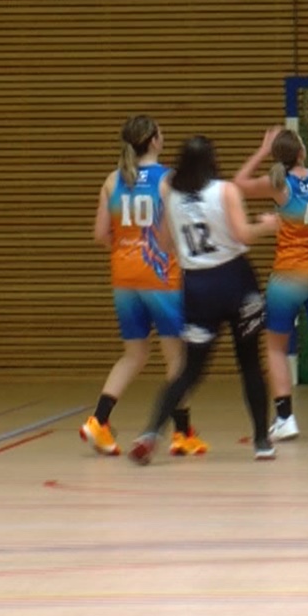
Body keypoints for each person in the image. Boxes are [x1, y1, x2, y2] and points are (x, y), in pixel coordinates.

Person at [129, 136, 281, 464]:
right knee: (250, 363)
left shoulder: (171, 196)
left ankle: (151, 431)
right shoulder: (225, 190)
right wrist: (266, 226)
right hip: (236, 280)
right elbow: (242, 235)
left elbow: (165, 243)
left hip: (197, 285)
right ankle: (261, 441)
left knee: (189, 370)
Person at [232, 127, 308, 442]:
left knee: (275, 347)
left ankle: (285, 418)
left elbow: (238, 185)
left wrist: (261, 150)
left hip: (288, 276)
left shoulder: (277, 184)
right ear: (302, 152)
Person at [82, 116, 185, 457]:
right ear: (154, 140)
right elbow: (177, 230)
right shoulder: (169, 179)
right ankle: (182, 433)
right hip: (160, 276)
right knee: (176, 359)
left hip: (124, 277)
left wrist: (129, 244)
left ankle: (99, 419)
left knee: (134, 354)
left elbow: (100, 235)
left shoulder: (113, 180)